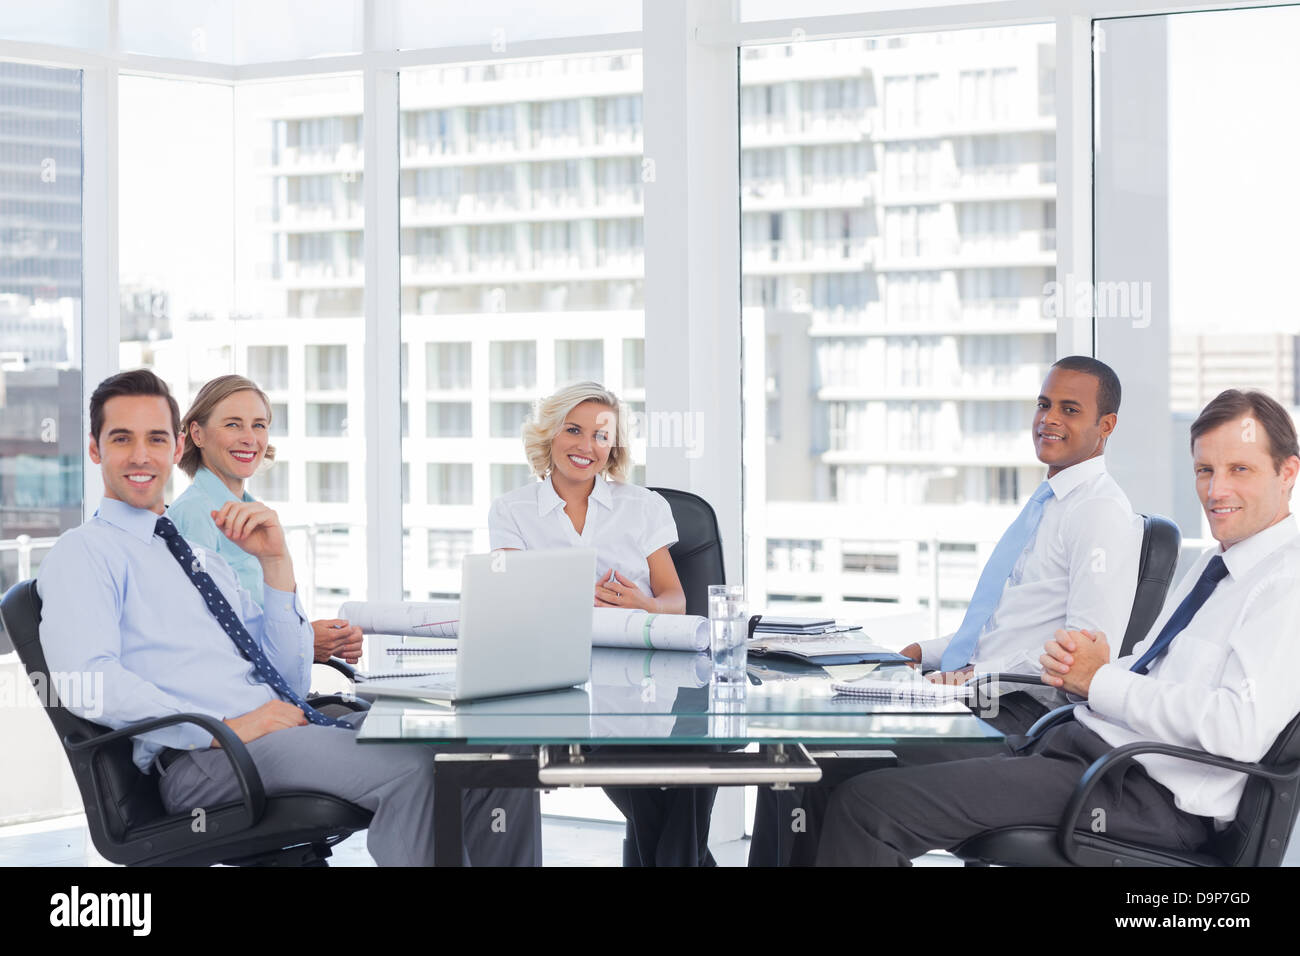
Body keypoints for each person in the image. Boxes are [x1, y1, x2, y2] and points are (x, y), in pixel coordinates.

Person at [36, 369, 536, 866]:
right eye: (123, 438)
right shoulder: (84, 552)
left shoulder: (196, 555)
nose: (142, 455)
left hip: (275, 729)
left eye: (156, 438)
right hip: (208, 757)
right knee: (412, 769)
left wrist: (276, 566)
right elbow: (87, 680)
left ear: (174, 447)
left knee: (496, 756)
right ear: (96, 448)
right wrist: (225, 727)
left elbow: (287, 678)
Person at [816, 387, 1300, 866]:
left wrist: (1099, 679)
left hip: (1137, 790)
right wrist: (1085, 667)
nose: (1216, 491)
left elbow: (1238, 730)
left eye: (1241, 470)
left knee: (868, 808)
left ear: (1288, 473)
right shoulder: (1219, 565)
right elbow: (1155, 673)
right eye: (1205, 471)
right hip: (1078, 748)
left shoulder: (1285, 585)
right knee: (817, 776)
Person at [750, 355, 1143, 865]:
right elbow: (1000, 628)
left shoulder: (1100, 513)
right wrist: (928, 652)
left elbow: (1088, 653)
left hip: (1017, 721)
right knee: (795, 762)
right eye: (1044, 404)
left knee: (818, 765)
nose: (1049, 419)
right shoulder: (1050, 501)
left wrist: (976, 677)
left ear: (1105, 426)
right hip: (976, 697)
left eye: (1070, 409)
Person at [488, 381, 715, 867]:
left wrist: (643, 604)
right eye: (574, 430)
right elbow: (513, 606)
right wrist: (569, 601)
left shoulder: (643, 506)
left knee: (697, 762)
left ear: (613, 447)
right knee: (690, 779)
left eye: (600, 435)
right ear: (549, 435)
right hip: (563, 684)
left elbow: (677, 600)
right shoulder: (512, 511)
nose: (586, 446)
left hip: (648, 679)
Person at [166, 374, 363, 668]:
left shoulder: (255, 513)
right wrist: (306, 640)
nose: (249, 438)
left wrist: (321, 637)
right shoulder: (195, 513)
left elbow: (264, 616)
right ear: (198, 434)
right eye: (233, 424)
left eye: (259, 425)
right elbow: (203, 637)